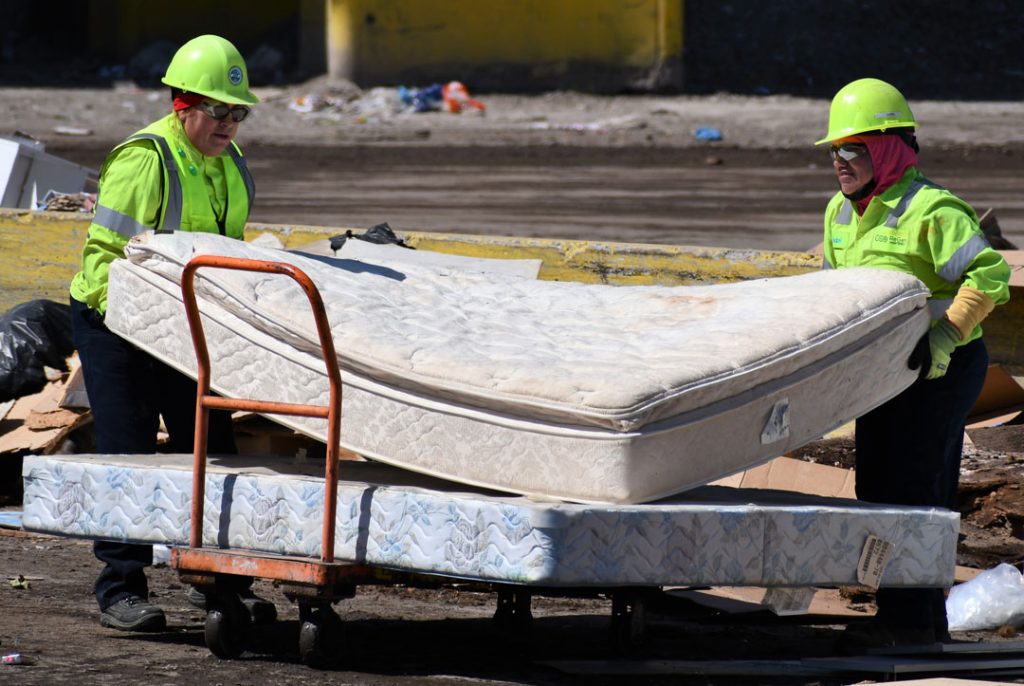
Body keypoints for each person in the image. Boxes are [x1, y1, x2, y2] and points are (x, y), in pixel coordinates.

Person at [69, 34, 273, 632]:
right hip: (116, 322)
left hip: (183, 325)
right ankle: (120, 588)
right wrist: (138, 331)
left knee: (209, 449)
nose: (231, 123)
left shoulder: (230, 165)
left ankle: (219, 585)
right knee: (127, 453)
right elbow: (106, 257)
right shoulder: (146, 158)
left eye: (239, 112)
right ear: (183, 105)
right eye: (220, 110)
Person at [818, 78, 1011, 647]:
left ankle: (913, 622)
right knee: (877, 486)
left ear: (886, 149)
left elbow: (991, 277)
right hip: (884, 375)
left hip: (941, 372)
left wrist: (948, 334)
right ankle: (906, 616)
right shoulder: (838, 213)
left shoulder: (932, 209)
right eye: (833, 152)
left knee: (917, 490)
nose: (839, 163)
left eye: (850, 150)